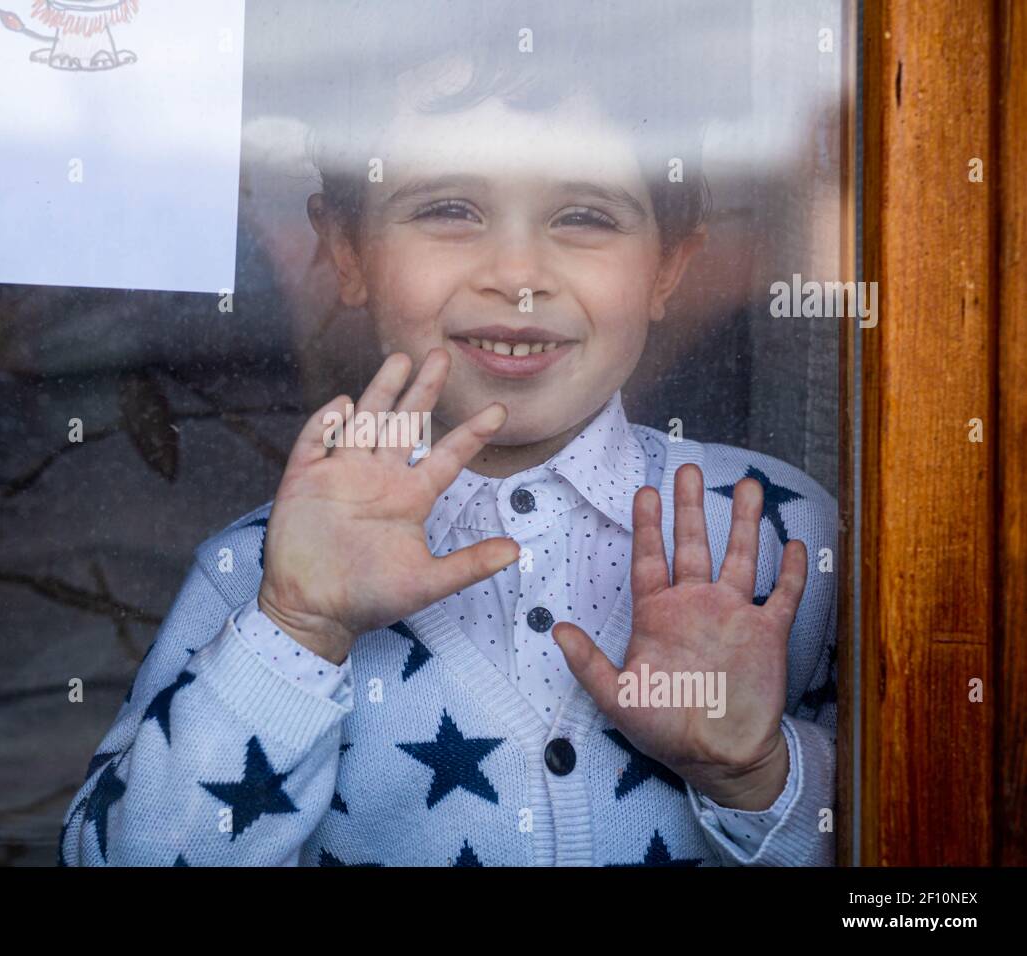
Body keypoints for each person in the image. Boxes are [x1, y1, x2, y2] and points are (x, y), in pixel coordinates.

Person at [60, 8, 837, 867]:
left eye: (584, 216)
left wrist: (758, 775)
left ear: (669, 266)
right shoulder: (261, 571)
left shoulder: (778, 536)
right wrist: (298, 630)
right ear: (346, 249)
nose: (517, 275)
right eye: (451, 209)